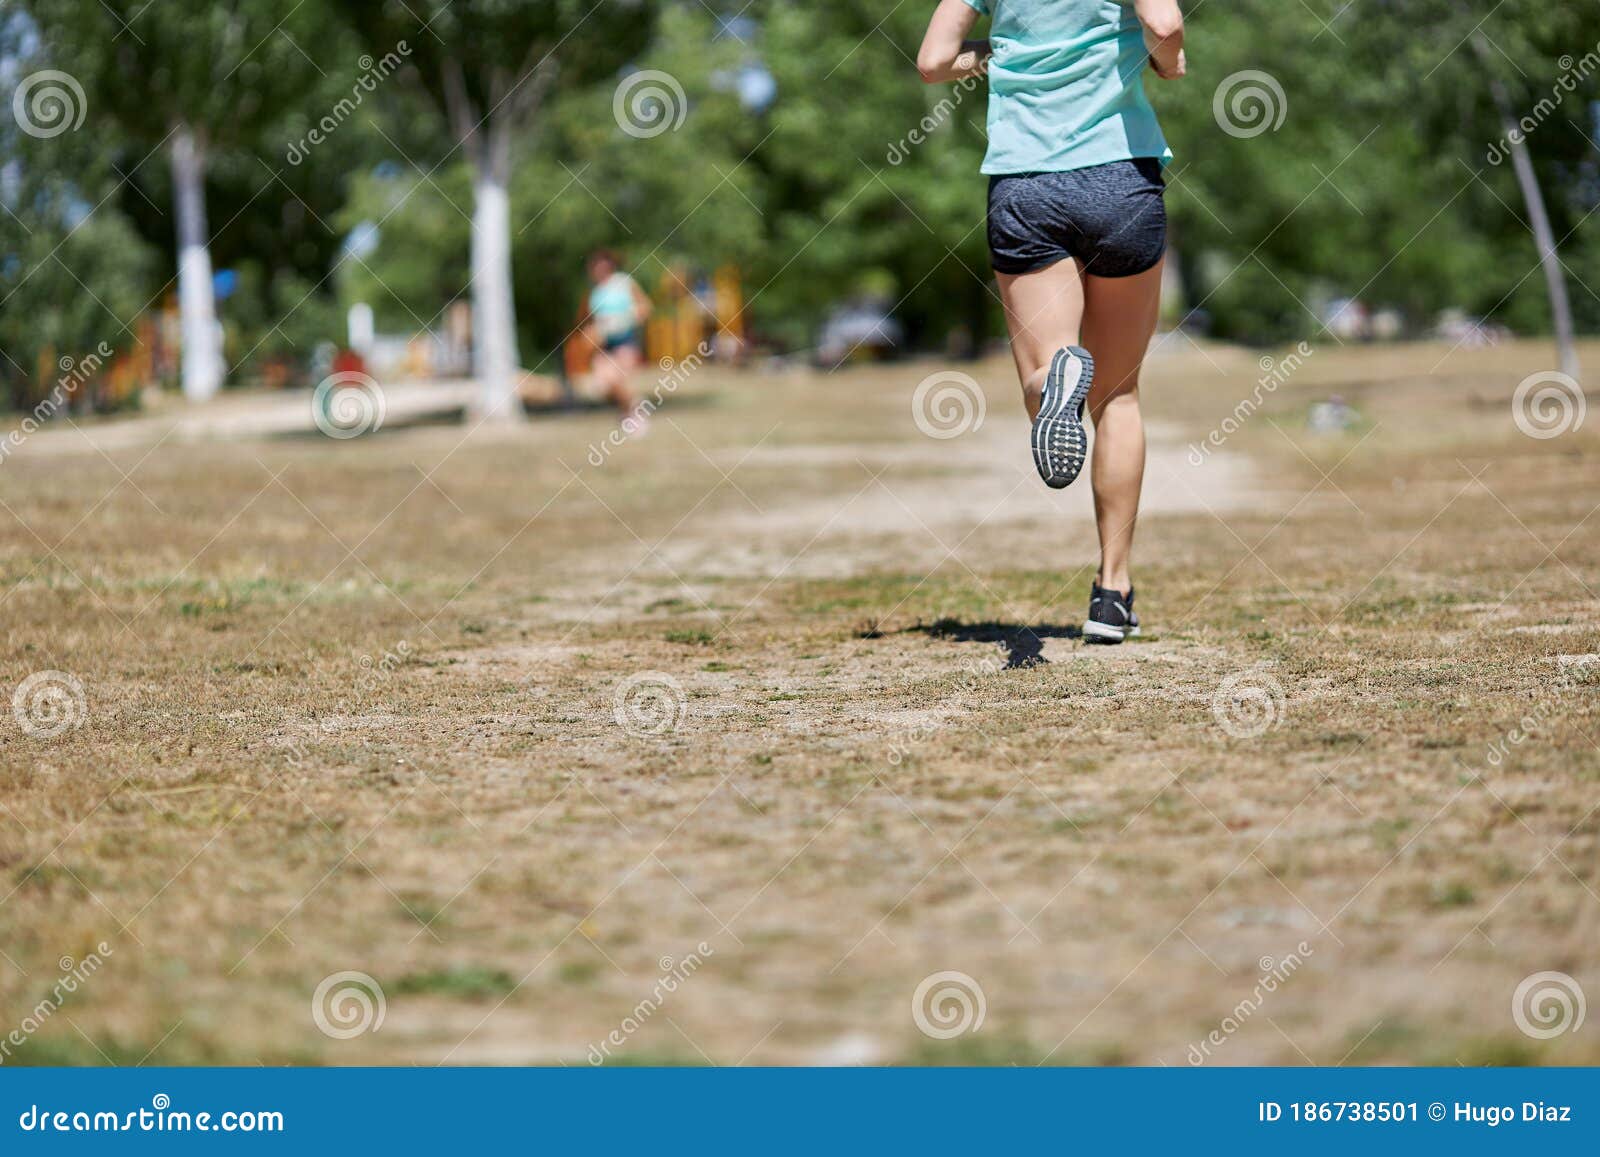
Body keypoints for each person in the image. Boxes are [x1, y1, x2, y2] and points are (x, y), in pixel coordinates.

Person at [917, 0, 1185, 644]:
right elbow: (1165, 26)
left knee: (1045, 377)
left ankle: (1053, 377)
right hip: (1121, 179)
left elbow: (932, 62)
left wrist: (1001, 53)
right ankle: (1112, 593)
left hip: (1026, 184)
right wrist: (1167, 62)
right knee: (1118, 395)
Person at [580, 250, 654, 427]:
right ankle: (634, 406)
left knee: (617, 379)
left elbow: (646, 307)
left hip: (626, 341)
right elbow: (593, 323)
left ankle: (631, 415)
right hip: (605, 345)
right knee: (604, 384)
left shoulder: (624, 282)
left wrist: (626, 318)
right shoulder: (595, 293)